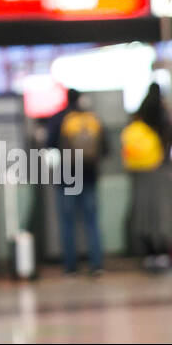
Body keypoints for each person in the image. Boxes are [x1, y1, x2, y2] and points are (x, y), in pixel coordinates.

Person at [123, 83, 172, 272]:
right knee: (161, 213)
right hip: (159, 170)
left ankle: (147, 253)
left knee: (143, 213)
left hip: (139, 172)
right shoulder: (163, 114)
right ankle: (162, 253)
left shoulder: (139, 116)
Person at [48, 89, 106, 277]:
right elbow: (105, 148)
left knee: (67, 223)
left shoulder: (59, 118)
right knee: (92, 223)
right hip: (89, 177)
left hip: (67, 178)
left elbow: (49, 144)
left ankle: (70, 268)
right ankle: (96, 265)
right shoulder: (92, 119)